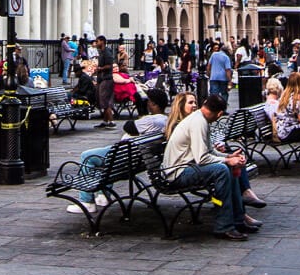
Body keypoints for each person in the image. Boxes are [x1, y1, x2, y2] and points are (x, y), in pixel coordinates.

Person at [162, 94, 261, 241]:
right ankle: (224, 226)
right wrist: (227, 161)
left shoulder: (200, 119)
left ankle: (238, 220)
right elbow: (202, 158)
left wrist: (229, 157)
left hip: (188, 166)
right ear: (220, 114)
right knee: (222, 170)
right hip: (178, 172)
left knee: (228, 168)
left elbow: (208, 151)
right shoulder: (198, 123)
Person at [66, 88, 170, 215]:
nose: (146, 103)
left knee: (87, 156)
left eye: (148, 101)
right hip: (135, 158)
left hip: (124, 156)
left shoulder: (152, 120)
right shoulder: (166, 120)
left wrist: (142, 113)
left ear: (153, 104)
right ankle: (103, 194)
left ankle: (86, 201)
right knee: (103, 161)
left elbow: (128, 126)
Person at [207, 41, 233, 108]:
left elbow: (209, 66)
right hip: (223, 78)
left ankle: (214, 108)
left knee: (214, 94)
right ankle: (223, 108)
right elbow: (228, 70)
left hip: (213, 77)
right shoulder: (226, 57)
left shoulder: (214, 55)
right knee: (224, 93)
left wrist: (209, 75)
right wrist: (230, 80)